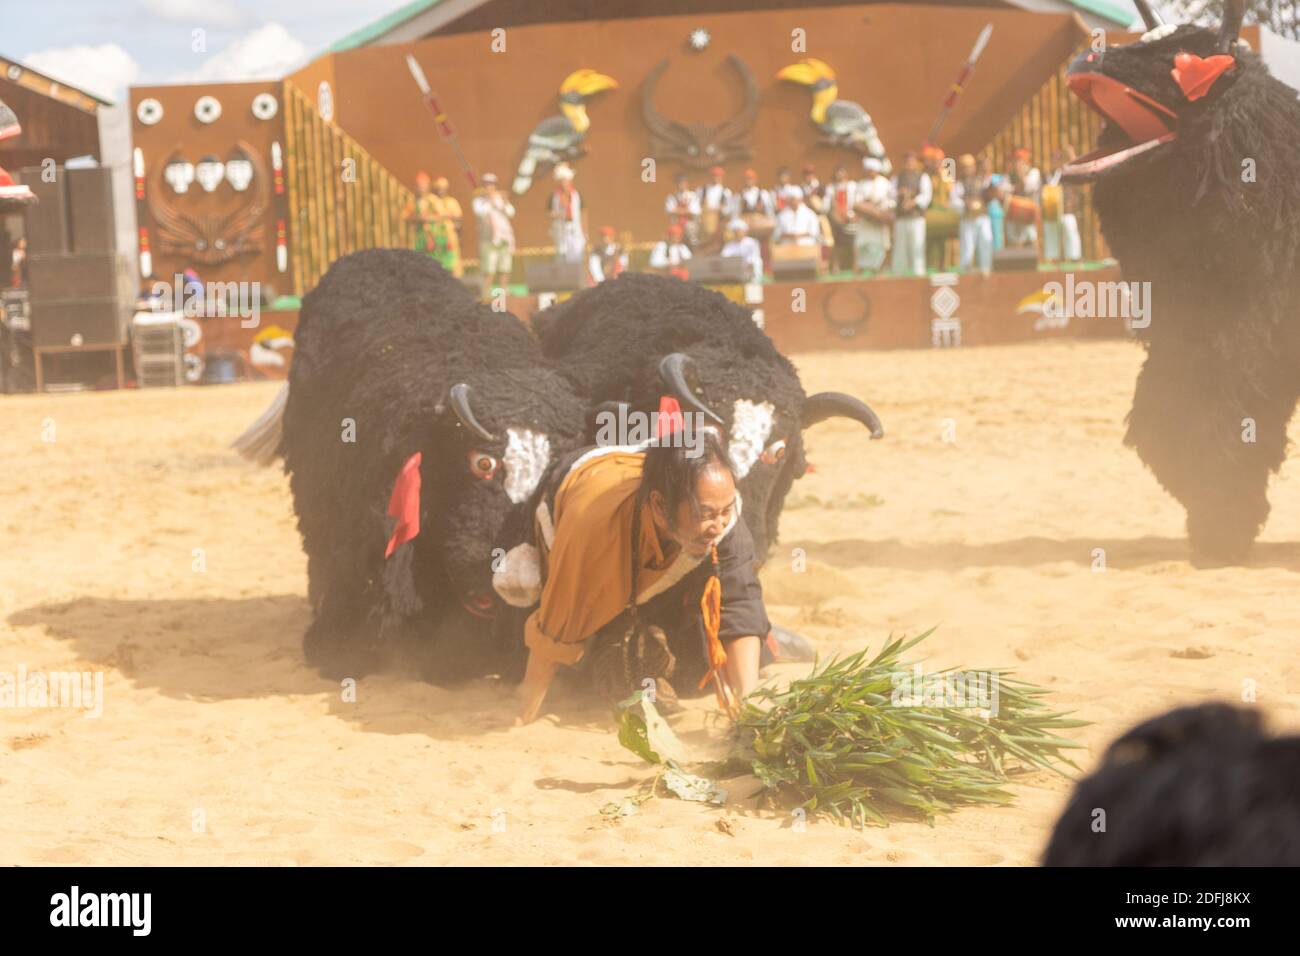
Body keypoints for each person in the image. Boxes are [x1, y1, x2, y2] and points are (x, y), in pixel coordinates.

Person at [513, 413, 769, 724]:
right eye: (705, 514)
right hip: (582, 488)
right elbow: (559, 620)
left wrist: (749, 708)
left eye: (726, 510)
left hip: (650, 507)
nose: (718, 525)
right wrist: (522, 712)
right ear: (660, 507)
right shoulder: (591, 529)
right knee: (571, 663)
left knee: (697, 664)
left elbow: (739, 602)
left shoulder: (723, 521)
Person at [404, 171, 461, 275]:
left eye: (423, 185)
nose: (421, 188)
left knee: (439, 265)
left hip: (434, 238)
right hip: (418, 238)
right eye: (418, 185)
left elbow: (441, 216)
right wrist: (420, 218)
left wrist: (430, 219)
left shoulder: (433, 200)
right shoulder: (412, 201)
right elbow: (406, 217)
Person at [471, 172, 515, 296]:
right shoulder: (478, 201)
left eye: (491, 184)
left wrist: (504, 201)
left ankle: (503, 291)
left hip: (504, 237)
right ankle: (487, 292)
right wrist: (488, 199)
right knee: (488, 268)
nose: (489, 187)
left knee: (505, 267)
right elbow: (481, 213)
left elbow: (510, 213)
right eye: (486, 184)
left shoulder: (500, 199)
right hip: (488, 239)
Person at [950, 153, 993, 275]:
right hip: (967, 218)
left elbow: (989, 194)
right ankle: (966, 270)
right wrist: (964, 204)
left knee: (986, 241)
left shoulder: (982, 180)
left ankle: (986, 269)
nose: (968, 169)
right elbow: (953, 201)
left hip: (983, 217)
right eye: (965, 167)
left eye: (970, 166)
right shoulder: (958, 183)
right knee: (967, 245)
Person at [890, 150, 931, 276]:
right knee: (900, 246)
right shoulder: (897, 177)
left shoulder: (922, 176)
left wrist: (913, 202)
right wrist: (899, 194)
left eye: (911, 160)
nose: (909, 162)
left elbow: (926, 195)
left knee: (917, 244)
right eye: (907, 160)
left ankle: (918, 272)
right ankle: (899, 272)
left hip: (916, 217)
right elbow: (890, 194)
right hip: (901, 217)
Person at [1042, 146, 1083, 264]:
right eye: (1053, 159)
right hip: (1050, 211)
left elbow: (1077, 170)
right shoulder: (1046, 176)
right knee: (1050, 233)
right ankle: (1052, 258)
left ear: (1060, 160)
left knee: (1070, 230)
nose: (1054, 161)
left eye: (1057, 159)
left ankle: (1075, 257)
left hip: (1066, 209)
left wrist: (1072, 156)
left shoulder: (1066, 173)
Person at [853, 158, 893, 274]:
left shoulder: (885, 183)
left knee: (880, 244)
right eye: (868, 170)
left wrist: (879, 210)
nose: (870, 172)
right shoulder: (861, 184)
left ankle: (879, 269)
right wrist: (868, 206)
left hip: (879, 220)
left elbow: (891, 201)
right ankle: (860, 269)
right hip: (865, 220)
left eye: (873, 170)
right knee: (863, 244)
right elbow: (857, 202)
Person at [822, 164, 862, 274]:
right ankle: (835, 267)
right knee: (836, 244)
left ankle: (856, 266)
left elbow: (857, 201)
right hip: (836, 220)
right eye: (837, 172)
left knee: (855, 243)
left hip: (851, 218)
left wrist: (852, 214)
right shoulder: (831, 188)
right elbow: (826, 205)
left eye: (842, 171)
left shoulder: (853, 186)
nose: (839, 174)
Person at [548, 163, 586, 264]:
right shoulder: (554, 196)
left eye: (566, 180)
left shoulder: (576, 195)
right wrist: (558, 215)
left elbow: (583, 213)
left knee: (576, 255)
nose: (564, 183)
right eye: (562, 181)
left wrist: (585, 230)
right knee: (562, 254)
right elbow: (549, 213)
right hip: (561, 229)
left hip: (575, 229)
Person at [1004, 147, 1041, 250]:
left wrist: (1021, 176)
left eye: (1019, 160)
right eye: (1015, 160)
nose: (1017, 163)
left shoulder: (1034, 172)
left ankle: (1034, 261)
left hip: (1028, 212)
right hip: (1013, 212)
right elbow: (1006, 189)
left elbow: (1030, 187)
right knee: (1014, 239)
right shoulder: (1009, 175)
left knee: (1031, 236)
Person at [697, 165, 733, 250]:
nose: (716, 178)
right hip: (704, 219)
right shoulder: (702, 190)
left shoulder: (726, 192)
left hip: (721, 219)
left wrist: (720, 209)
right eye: (714, 176)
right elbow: (696, 205)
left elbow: (729, 209)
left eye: (718, 176)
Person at [665, 172, 701, 248]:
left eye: (683, 182)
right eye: (679, 183)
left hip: (691, 225)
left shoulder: (693, 196)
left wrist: (677, 210)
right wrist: (686, 210)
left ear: (687, 184)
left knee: (692, 236)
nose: (681, 185)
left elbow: (695, 212)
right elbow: (669, 211)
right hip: (676, 224)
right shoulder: (671, 197)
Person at [720, 218, 763, 283]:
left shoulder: (752, 242)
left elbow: (753, 257)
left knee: (756, 262)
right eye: (735, 232)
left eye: (739, 231)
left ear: (744, 231)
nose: (737, 233)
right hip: (734, 270)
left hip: (748, 269)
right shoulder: (729, 245)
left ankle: (755, 281)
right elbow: (724, 258)